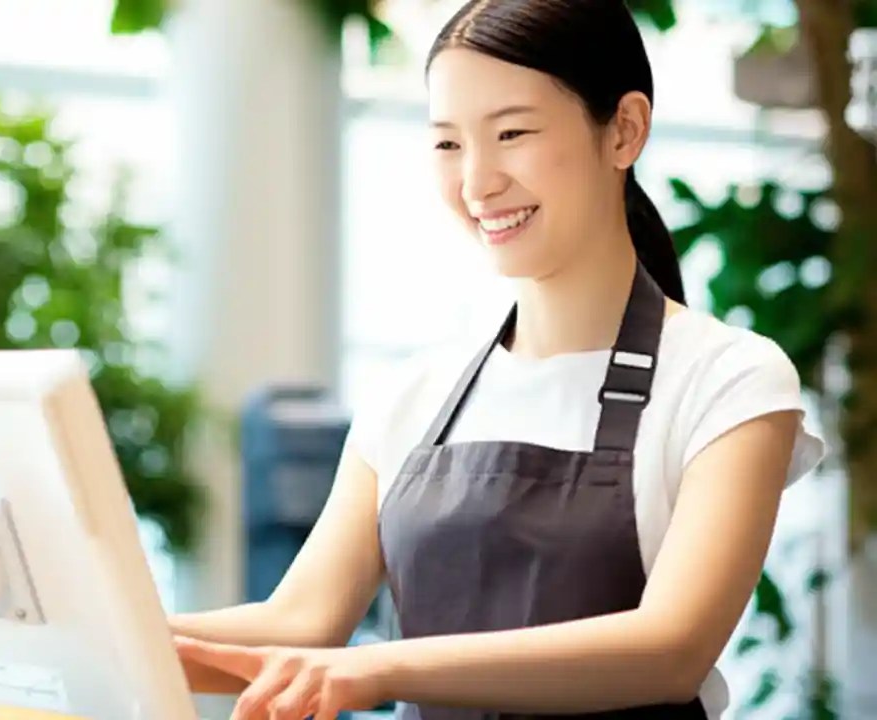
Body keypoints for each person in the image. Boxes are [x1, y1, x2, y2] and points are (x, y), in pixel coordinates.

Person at [166, 1, 828, 719]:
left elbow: (669, 651)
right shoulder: (414, 392)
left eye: (512, 133)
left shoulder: (729, 379)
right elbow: (298, 625)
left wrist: (375, 670)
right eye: (448, 143)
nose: (477, 182)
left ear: (625, 130)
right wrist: (93, 634)